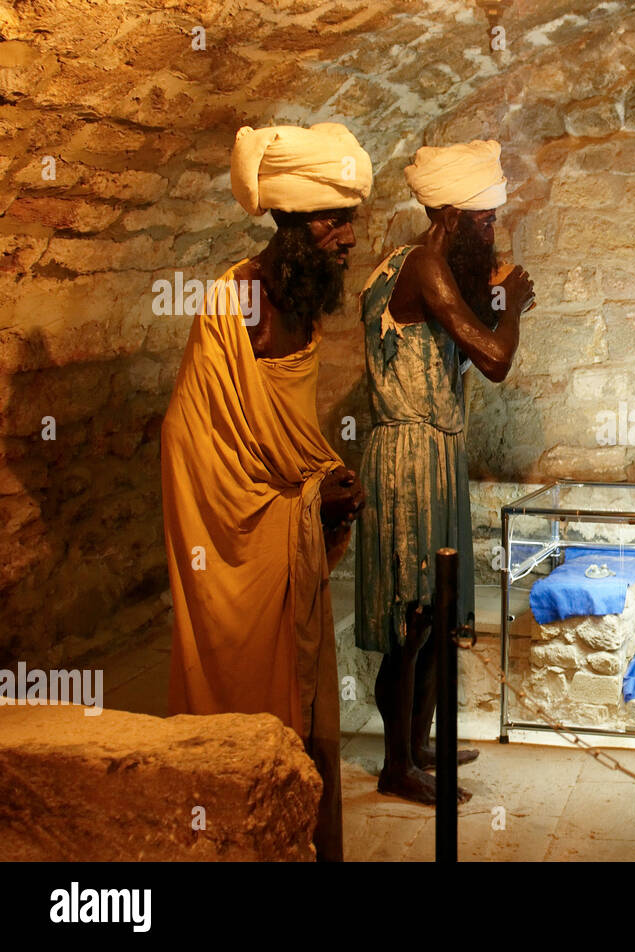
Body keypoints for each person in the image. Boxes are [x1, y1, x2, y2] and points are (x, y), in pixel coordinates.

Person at [161, 122, 371, 862]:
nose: (348, 237)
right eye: (332, 221)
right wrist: (307, 504)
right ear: (289, 222)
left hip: (283, 521)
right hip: (233, 538)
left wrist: (320, 479)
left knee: (304, 701)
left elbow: (284, 431)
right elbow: (204, 455)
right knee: (246, 699)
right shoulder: (240, 303)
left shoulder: (299, 295)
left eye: (350, 219)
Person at [355, 140, 532, 805]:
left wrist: (501, 305)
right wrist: (508, 309)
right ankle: (396, 765)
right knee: (412, 616)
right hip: (409, 456)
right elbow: (494, 360)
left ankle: (418, 742)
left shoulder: (422, 267)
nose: (492, 231)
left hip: (435, 451)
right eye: (485, 220)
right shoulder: (424, 265)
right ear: (452, 217)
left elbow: (456, 345)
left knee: (434, 609)